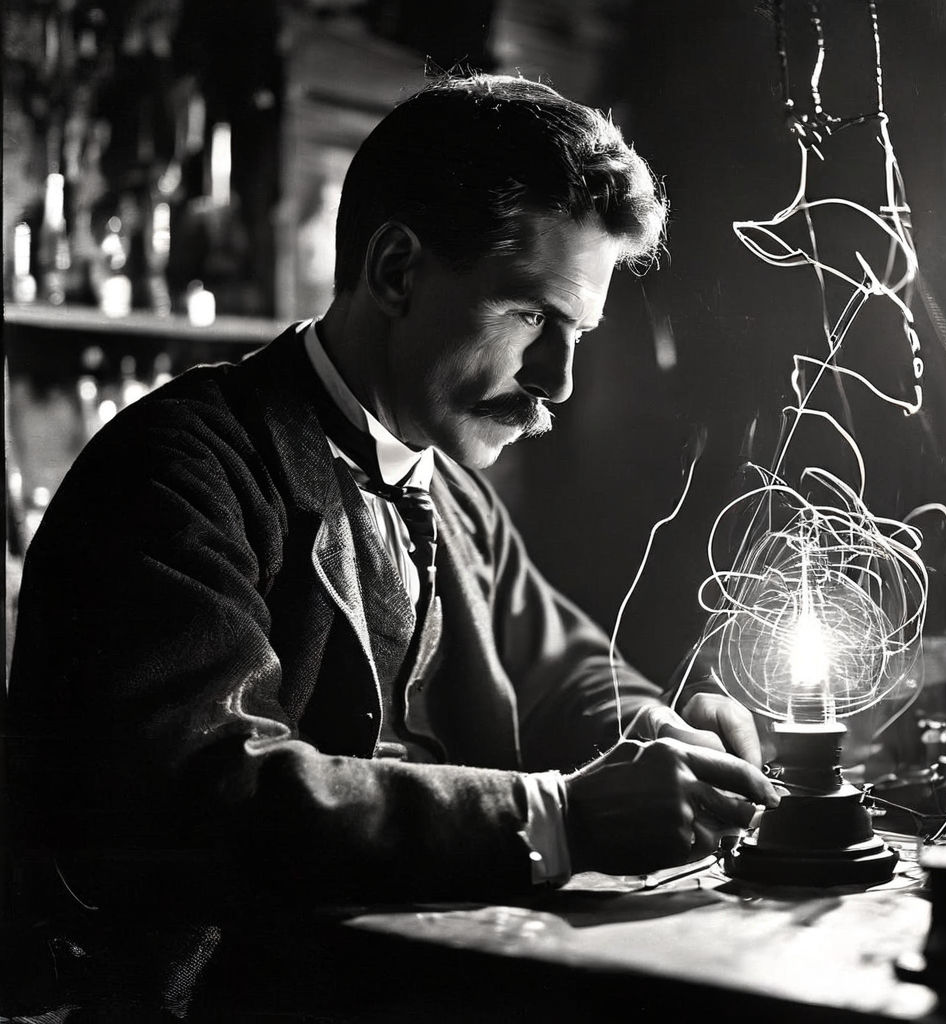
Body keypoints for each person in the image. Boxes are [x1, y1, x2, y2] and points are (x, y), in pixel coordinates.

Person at [5, 74, 777, 1017]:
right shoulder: (178, 471)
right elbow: (203, 796)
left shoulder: (449, 487)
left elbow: (566, 672)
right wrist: (562, 818)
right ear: (397, 270)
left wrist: (671, 741)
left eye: (575, 331)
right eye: (532, 315)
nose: (560, 381)